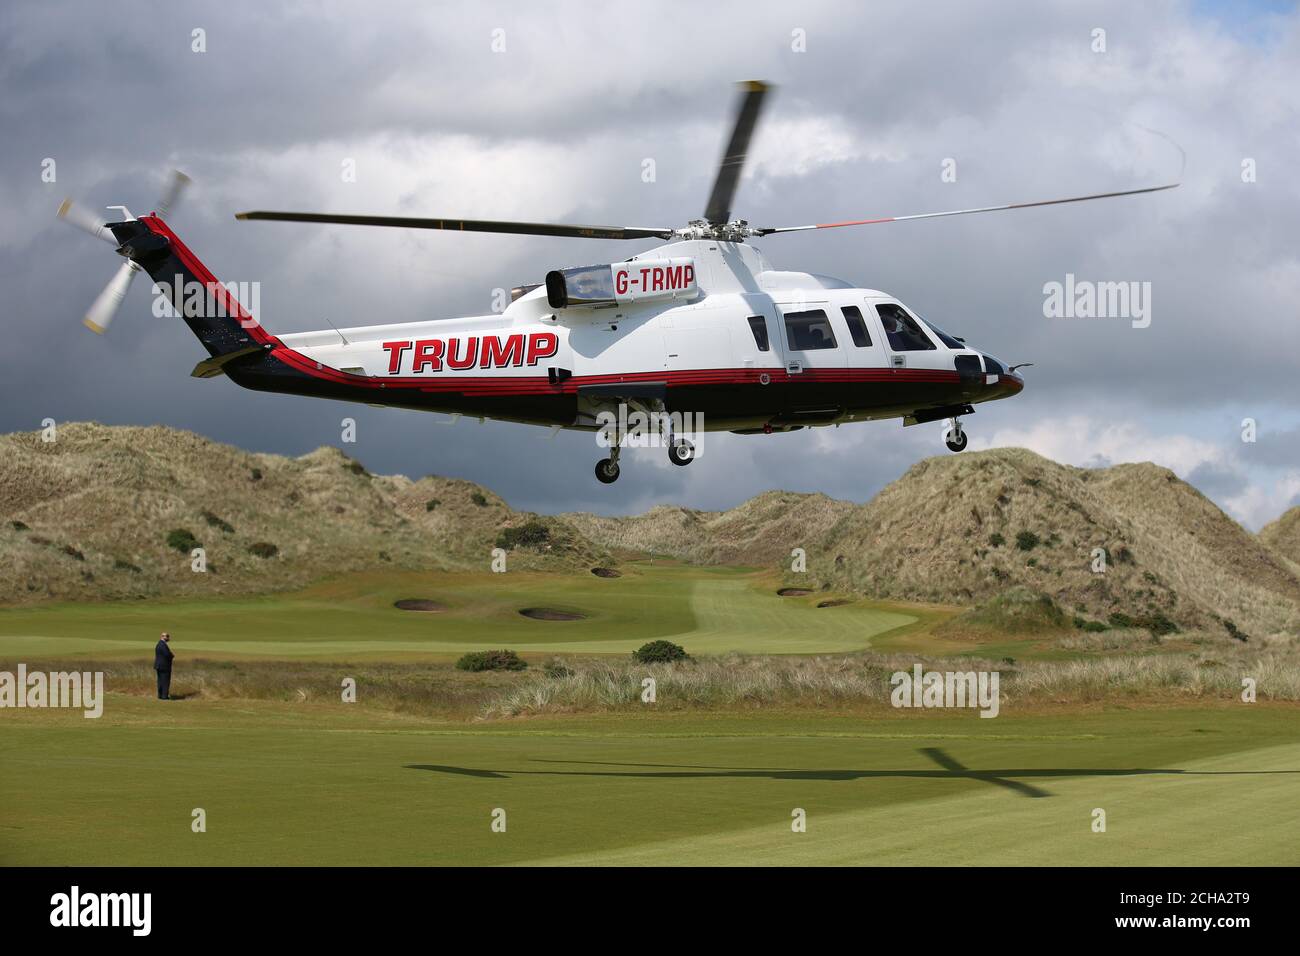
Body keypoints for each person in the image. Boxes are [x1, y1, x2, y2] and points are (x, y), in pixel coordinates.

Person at [153, 632, 174, 700]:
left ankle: (160, 695)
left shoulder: (159, 644)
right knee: (165, 681)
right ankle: (164, 696)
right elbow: (167, 654)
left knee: (160, 681)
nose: (168, 638)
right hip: (164, 666)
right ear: (163, 637)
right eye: (167, 636)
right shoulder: (162, 645)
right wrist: (172, 655)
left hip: (159, 666)